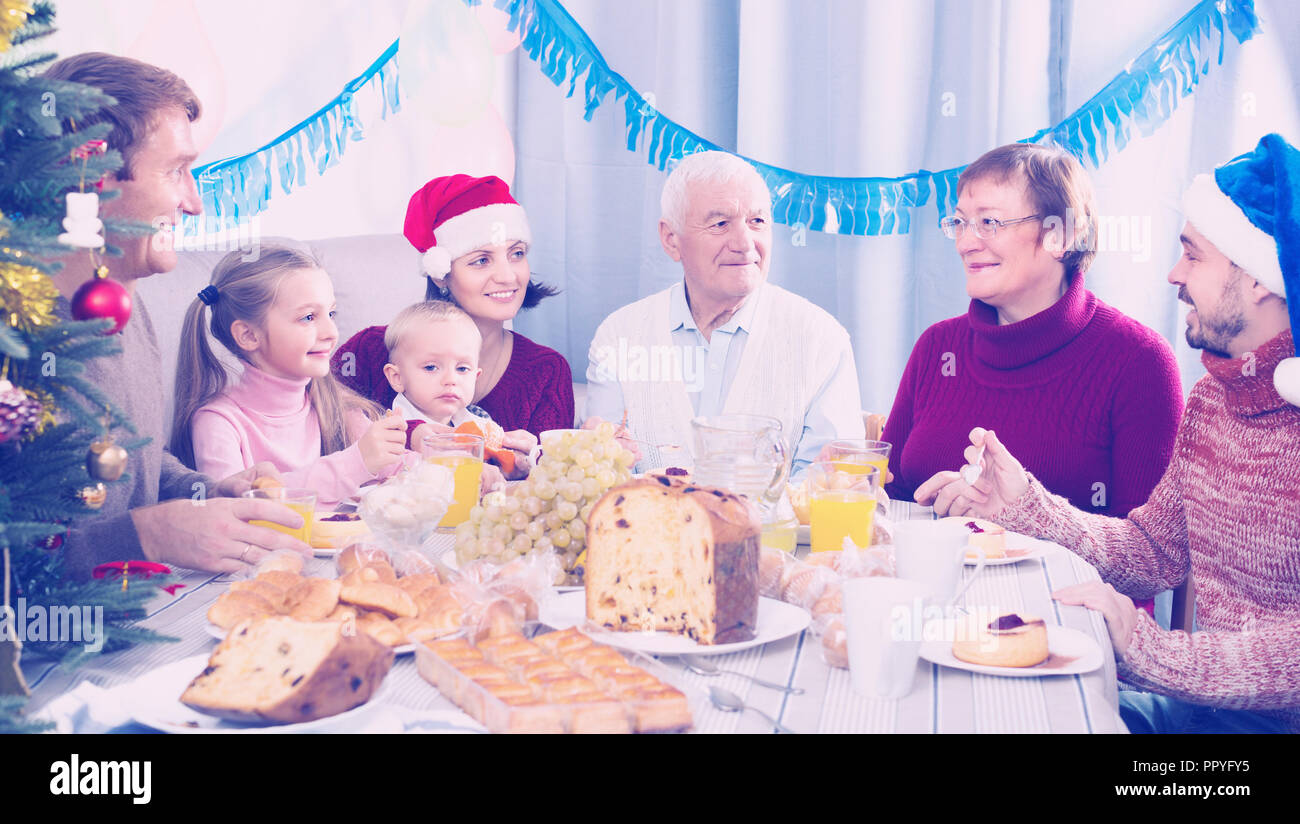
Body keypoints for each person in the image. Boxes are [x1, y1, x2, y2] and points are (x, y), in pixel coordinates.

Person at [917, 134, 1300, 733]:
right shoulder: (1215, 400)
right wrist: (1027, 509)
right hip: (1203, 711)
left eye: (1194, 256)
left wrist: (1150, 650)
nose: (1174, 274)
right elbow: (1154, 552)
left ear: (1258, 277)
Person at [43, 53, 309, 577]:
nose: (194, 203)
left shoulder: (124, 298)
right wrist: (147, 537)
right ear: (91, 177)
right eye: (175, 171)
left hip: (137, 620)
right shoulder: (19, 339)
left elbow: (134, 463)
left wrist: (205, 493)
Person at [884, 143, 1183, 521]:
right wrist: (846, 484)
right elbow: (886, 494)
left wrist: (1025, 514)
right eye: (959, 222)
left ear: (1063, 234)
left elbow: (1149, 560)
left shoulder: (1139, 361)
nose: (965, 242)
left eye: (989, 222)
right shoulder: (937, 348)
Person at [584, 150, 863, 473]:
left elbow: (828, 487)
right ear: (671, 239)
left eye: (757, 221)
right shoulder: (618, 336)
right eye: (720, 224)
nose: (745, 243)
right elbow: (604, 477)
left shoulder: (821, 339)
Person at [332, 175, 574, 436]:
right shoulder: (370, 351)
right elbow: (320, 427)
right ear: (440, 273)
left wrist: (531, 463)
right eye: (481, 260)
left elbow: (556, 473)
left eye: (517, 254)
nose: (507, 276)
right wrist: (411, 437)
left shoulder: (547, 371)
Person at [170, 244, 408, 507]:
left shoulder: (336, 403)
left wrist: (432, 454)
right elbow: (236, 507)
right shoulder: (218, 421)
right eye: (308, 317)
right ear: (248, 335)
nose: (332, 332)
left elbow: (396, 468)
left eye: (331, 313)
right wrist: (356, 462)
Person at [381, 300, 535, 481]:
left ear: (476, 377)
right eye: (431, 367)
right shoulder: (390, 427)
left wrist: (509, 468)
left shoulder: (479, 421)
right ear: (396, 378)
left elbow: (490, 473)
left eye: (462, 369)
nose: (451, 380)